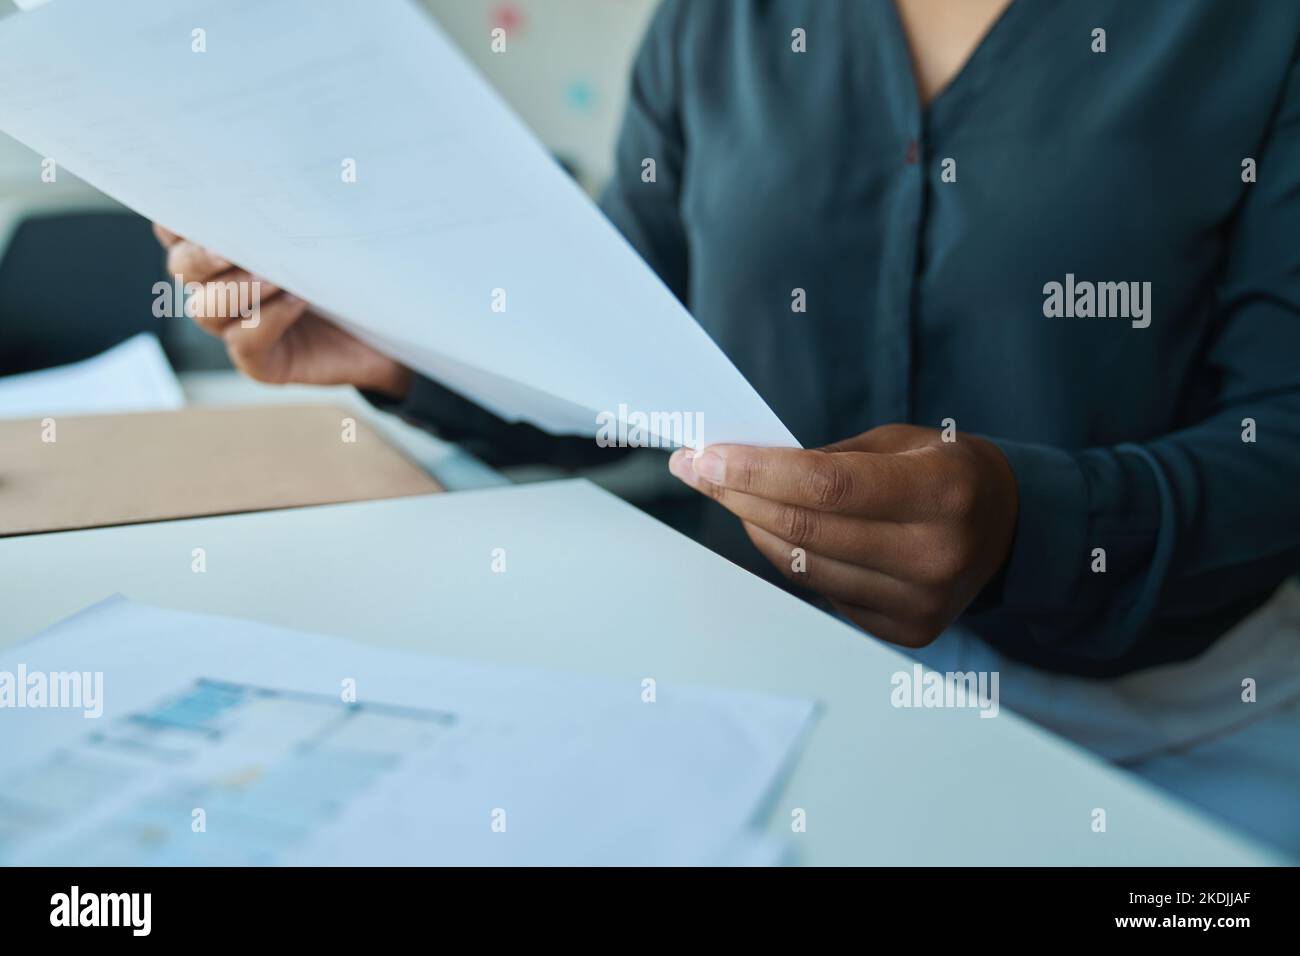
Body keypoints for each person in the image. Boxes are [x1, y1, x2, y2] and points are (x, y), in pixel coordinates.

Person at [156, 0, 1300, 854]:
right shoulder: (723, 21)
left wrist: (1029, 525)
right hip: (757, 703)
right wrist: (395, 347)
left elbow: (1282, 438)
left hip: (1159, 747)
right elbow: (619, 352)